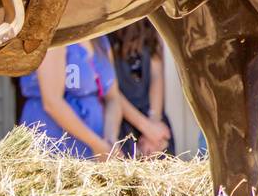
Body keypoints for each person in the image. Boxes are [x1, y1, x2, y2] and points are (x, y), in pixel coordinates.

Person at [19, 38, 123, 161]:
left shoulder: (100, 39)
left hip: (97, 145)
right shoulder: (57, 37)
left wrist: (110, 140)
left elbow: (113, 98)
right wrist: (97, 144)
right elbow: (52, 102)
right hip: (55, 141)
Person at [108, 22, 174, 156]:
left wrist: (155, 120)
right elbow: (110, 90)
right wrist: (146, 127)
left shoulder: (151, 26)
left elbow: (156, 76)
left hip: (152, 117)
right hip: (121, 119)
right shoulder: (106, 34)